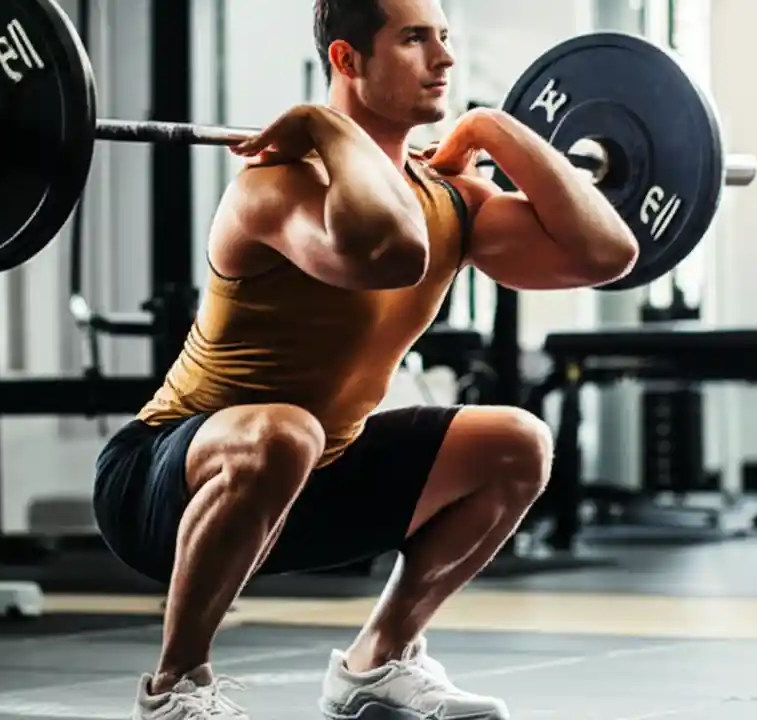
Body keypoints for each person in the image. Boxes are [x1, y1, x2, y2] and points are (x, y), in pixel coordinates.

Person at [91, 0, 638, 716]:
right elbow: (390, 253)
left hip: (313, 478)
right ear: (348, 60)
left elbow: (607, 252)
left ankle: (377, 663)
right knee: (286, 430)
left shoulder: (448, 198)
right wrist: (322, 126)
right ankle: (176, 688)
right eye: (414, 39)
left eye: (445, 39)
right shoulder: (279, 184)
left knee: (519, 443)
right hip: (165, 483)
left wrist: (494, 130)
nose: (442, 58)